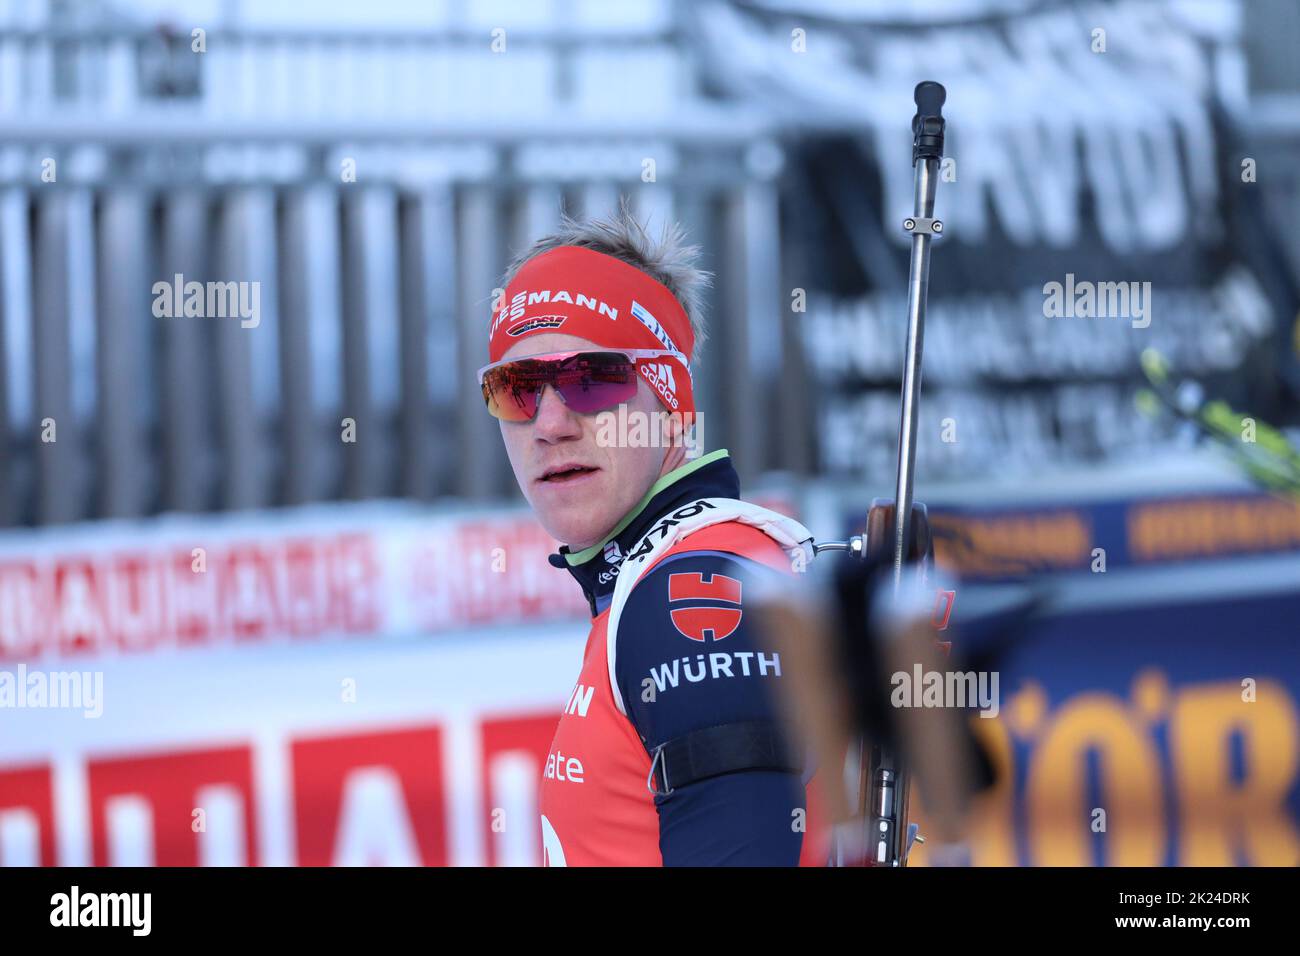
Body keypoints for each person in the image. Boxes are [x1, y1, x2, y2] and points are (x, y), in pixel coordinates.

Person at [478, 205, 827, 866]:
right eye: (516, 388)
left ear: (671, 403)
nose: (549, 424)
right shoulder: (655, 583)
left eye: (589, 379)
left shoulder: (688, 592)